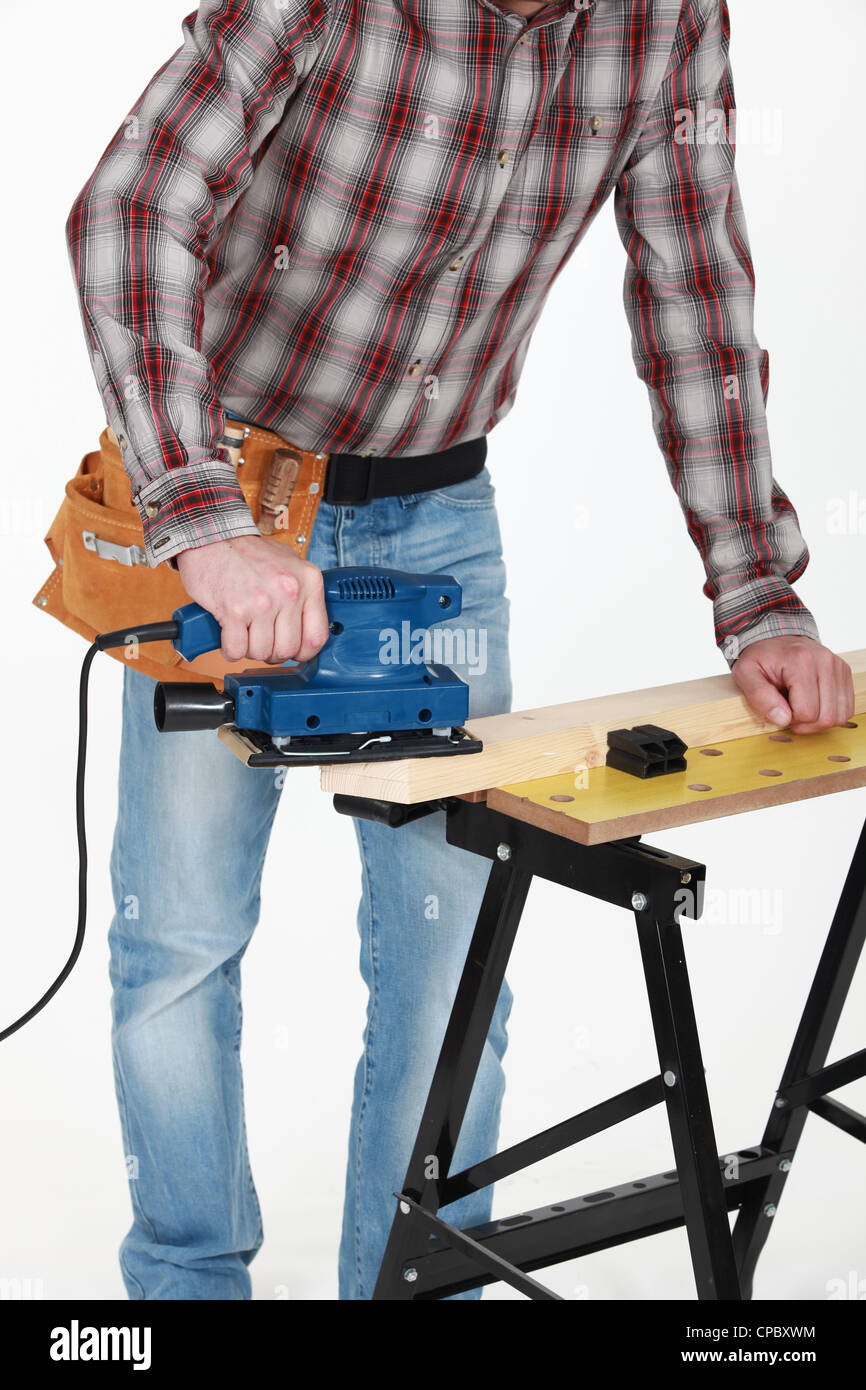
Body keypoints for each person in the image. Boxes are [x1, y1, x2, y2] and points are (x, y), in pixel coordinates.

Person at [63, 0, 855, 1300]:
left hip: (438, 531)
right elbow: (130, 209)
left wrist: (758, 593)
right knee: (182, 942)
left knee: (449, 969)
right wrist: (201, 522)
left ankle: (415, 1292)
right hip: (230, 488)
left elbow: (693, 290)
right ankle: (186, 1291)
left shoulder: (665, 20)